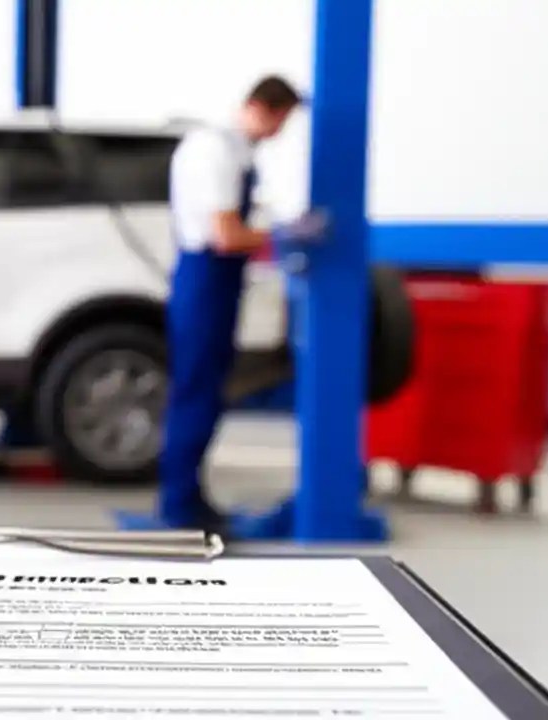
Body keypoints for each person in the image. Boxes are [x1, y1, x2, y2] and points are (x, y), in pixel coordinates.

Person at [159, 75, 324, 530]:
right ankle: (178, 506)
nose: (281, 131)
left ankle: (188, 498)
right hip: (204, 279)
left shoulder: (237, 150)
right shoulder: (214, 150)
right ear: (264, 108)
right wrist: (286, 234)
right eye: (282, 120)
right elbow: (227, 235)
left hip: (217, 282)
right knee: (195, 392)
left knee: (207, 392)